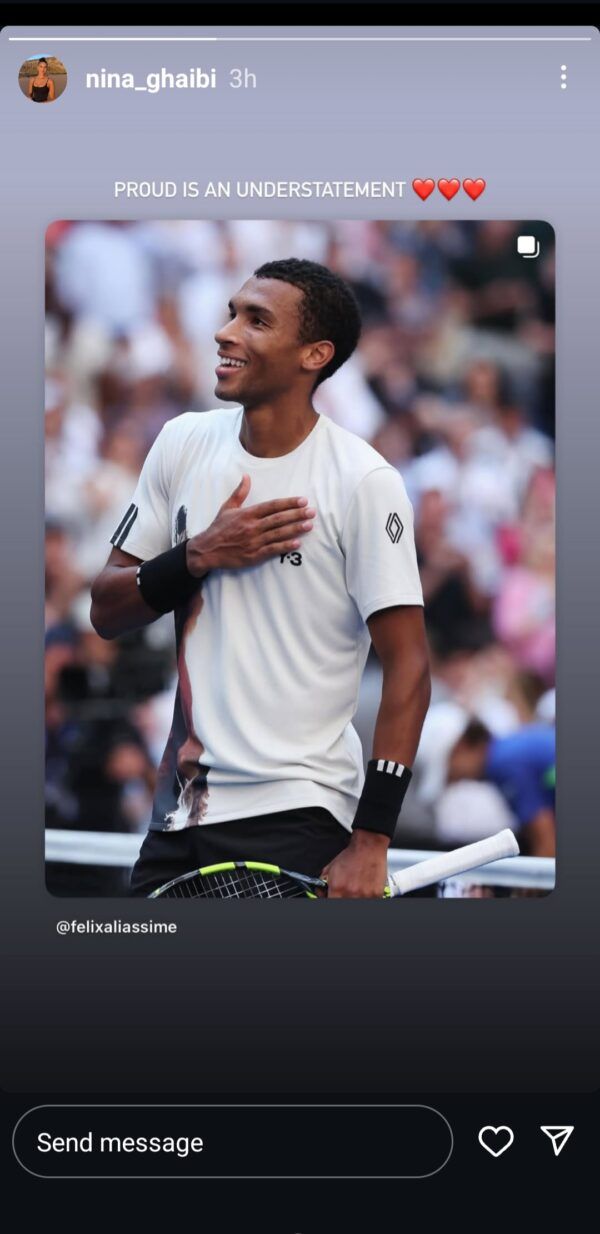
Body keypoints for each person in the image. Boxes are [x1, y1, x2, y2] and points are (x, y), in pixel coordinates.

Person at [91, 258, 430, 898]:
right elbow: (107, 609)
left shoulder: (365, 481)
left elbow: (409, 670)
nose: (226, 332)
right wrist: (196, 555)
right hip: (180, 813)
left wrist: (373, 839)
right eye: (230, 313)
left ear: (314, 355)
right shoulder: (180, 442)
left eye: (256, 320)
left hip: (298, 813)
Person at [447, 719, 555, 856]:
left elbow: (547, 843)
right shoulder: (505, 752)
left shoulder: (501, 763)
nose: (450, 773)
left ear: (461, 747)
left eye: (449, 761)